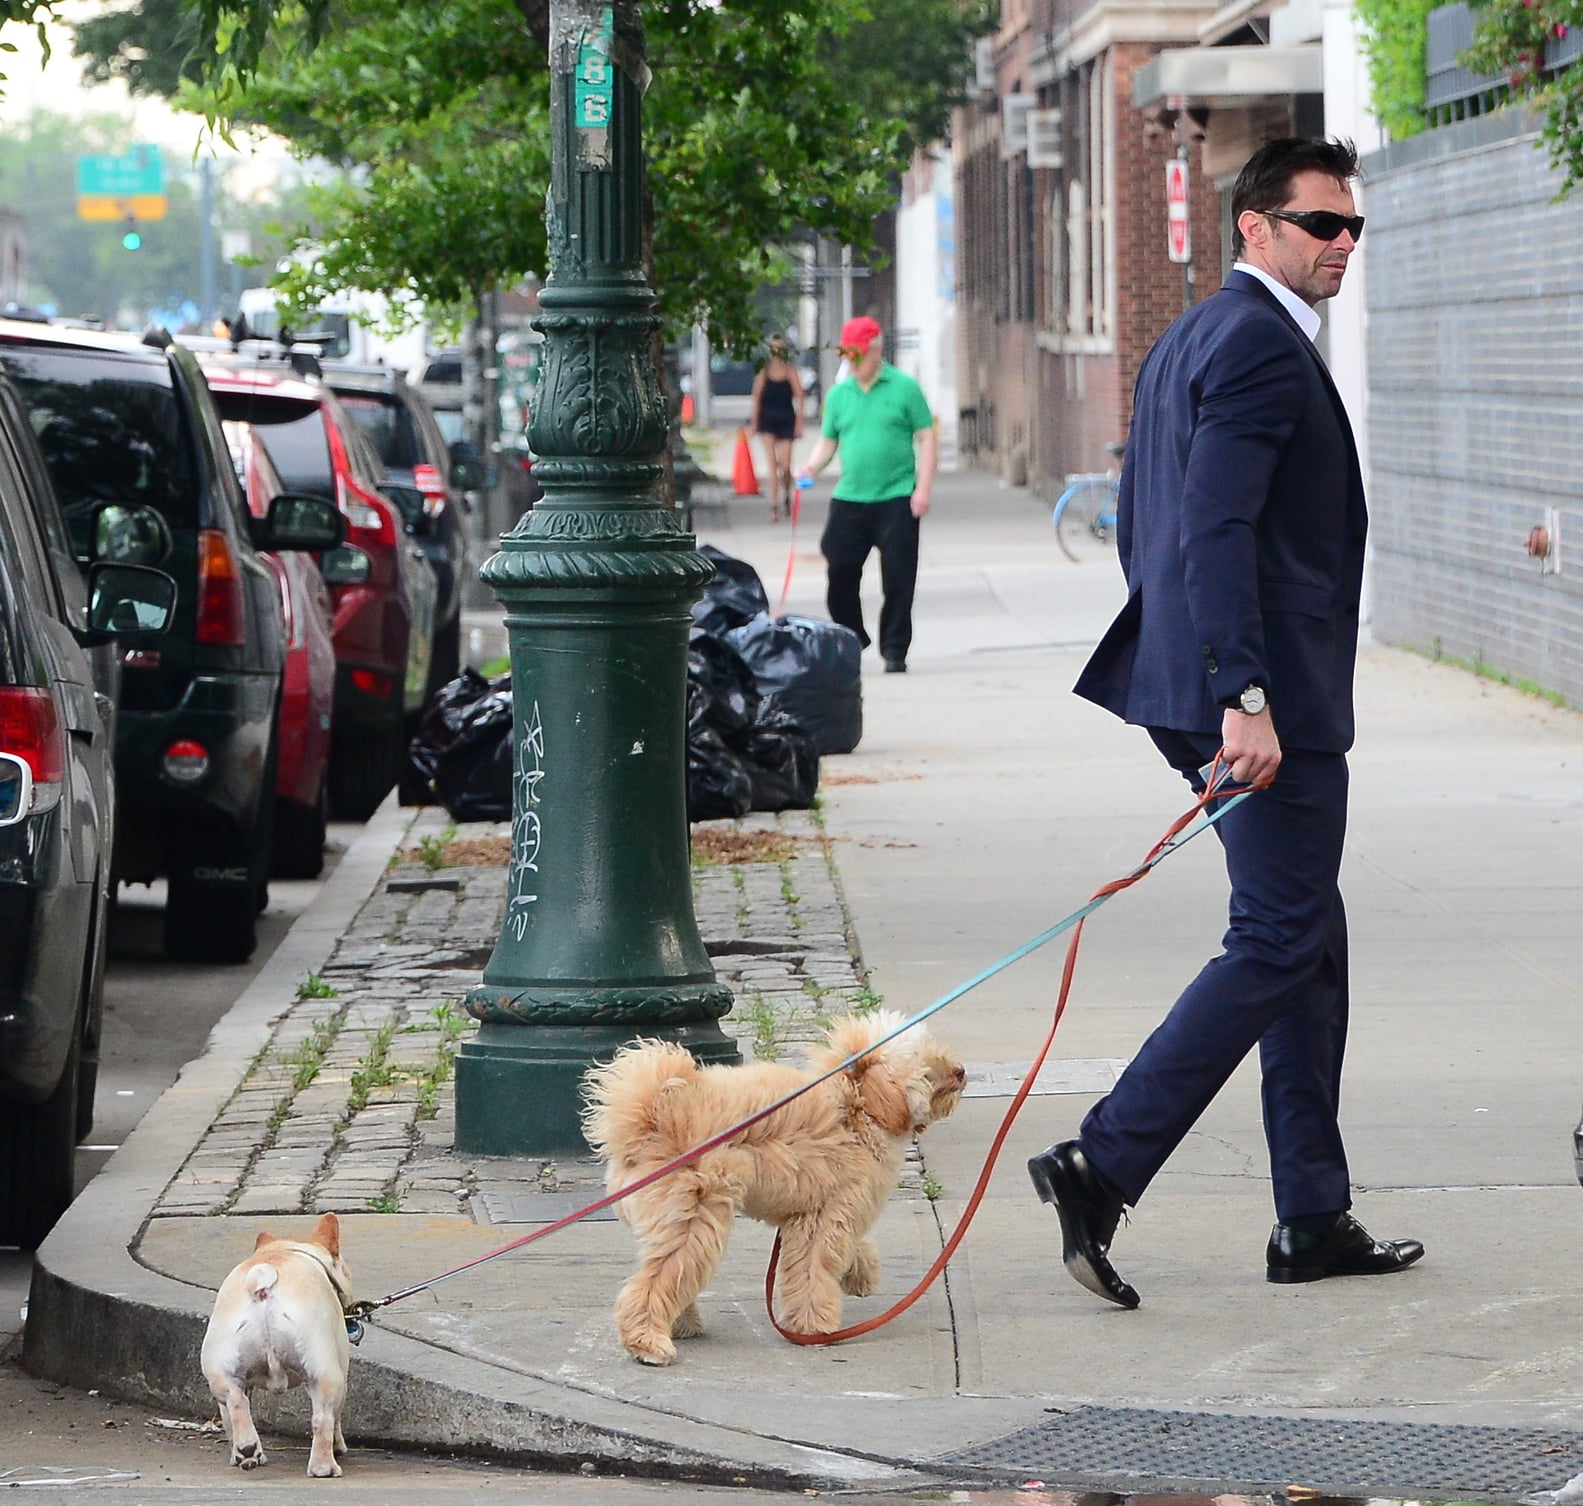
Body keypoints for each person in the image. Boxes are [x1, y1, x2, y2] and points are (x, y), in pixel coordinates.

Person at [1028, 136, 1424, 1309]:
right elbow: (1208, 530)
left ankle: (1309, 1214)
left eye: (1352, 226)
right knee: (1275, 936)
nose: (1342, 243)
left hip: (1201, 683)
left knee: (1305, 933)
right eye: (1320, 224)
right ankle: (1103, 1158)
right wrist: (1239, 697)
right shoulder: (1254, 345)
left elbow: (1142, 525)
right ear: (1255, 228)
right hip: (1258, 702)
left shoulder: (1193, 338)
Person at [797, 316, 937, 674]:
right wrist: (812, 466)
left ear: (876, 349)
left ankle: (894, 649)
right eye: (848, 355)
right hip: (850, 498)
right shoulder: (839, 395)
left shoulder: (905, 388)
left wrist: (922, 488)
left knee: (898, 578)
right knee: (839, 566)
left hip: (897, 497)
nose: (853, 361)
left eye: (858, 354)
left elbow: (926, 436)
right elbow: (829, 440)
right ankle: (852, 635)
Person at [749, 338, 805, 522]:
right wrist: (754, 424)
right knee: (772, 464)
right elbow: (756, 398)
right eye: (773, 349)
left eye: (780, 349)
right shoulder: (763, 372)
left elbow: (800, 397)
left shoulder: (791, 372)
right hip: (767, 421)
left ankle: (786, 495)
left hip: (786, 420)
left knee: (786, 465)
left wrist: (799, 423)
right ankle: (774, 506)